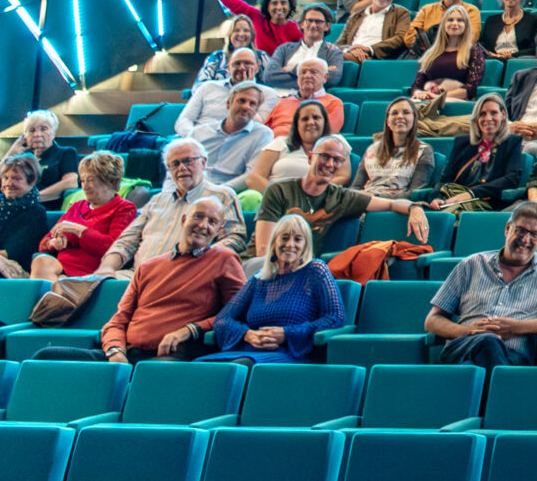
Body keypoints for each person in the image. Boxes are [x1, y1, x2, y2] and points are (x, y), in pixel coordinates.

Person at [426, 201, 537, 368]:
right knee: (487, 342)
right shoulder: (471, 264)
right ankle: (498, 389)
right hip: (463, 349)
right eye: (521, 230)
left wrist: (516, 327)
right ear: (507, 228)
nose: (525, 240)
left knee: (487, 352)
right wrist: (470, 331)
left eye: (534, 234)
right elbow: (432, 320)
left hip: (513, 357)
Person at [96, 197, 245, 363]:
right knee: (62, 357)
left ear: (218, 230)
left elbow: (236, 313)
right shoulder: (148, 267)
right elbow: (118, 320)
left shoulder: (224, 260)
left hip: (169, 356)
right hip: (124, 354)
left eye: (212, 222)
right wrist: (115, 351)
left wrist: (190, 330)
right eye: (198, 216)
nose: (203, 225)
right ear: (183, 220)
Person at [201, 213, 346, 363]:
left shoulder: (315, 270)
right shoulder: (260, 279)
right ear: (274, 243)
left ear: (306, 245)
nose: (290, 244)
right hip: (249, 350)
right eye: (284, 238)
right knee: (200, 367)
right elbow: (223, 319)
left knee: (238, 366)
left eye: (297, 239)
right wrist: (247, 334)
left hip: (290, 353)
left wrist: (287, 334)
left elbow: (335, 317)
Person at [253, 136, 430, 256]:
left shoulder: (342, 197)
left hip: (301, 269)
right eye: (324, 156)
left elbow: (391, 204)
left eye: (337, 160)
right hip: (264, 265)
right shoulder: (279, 190)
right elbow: (263, 250)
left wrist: (414, 207)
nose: (330, 164)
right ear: (310, 158)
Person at [101, 139, 248, 273]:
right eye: (175, 164)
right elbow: (127, 240)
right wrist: (106, 268)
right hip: (137, 275)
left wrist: (201, 260)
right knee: (85, 286)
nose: (182, 168)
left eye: (188, 161)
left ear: (203, 162)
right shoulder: (157, 200)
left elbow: (235, 238)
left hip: (186, 275)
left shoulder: (222, 195)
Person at [30, 152, 137, 280]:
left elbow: (114, 248)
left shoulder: (124, 208)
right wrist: (54, 243)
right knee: (40, 261)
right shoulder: (77, 206)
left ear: (110, 181)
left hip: (92, 272)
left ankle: (56, 295)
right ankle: (55, 295)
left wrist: (78, 230)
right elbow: (44, 243)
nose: (84, 186)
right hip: (61, 268)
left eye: (90, 180)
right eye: (82, 180)